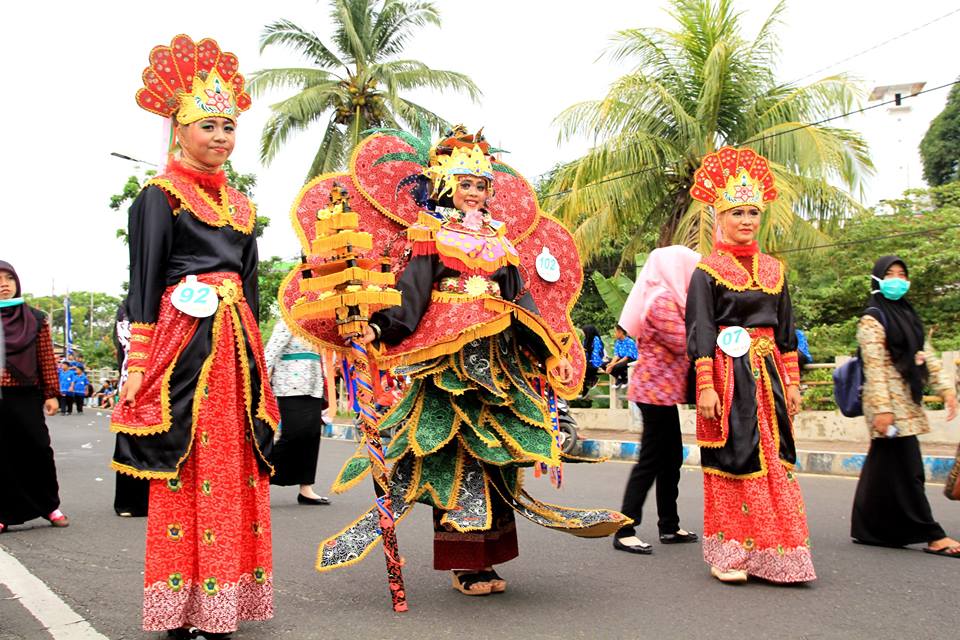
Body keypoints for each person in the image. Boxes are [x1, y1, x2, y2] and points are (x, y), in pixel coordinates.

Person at [282, 126, 628, 599]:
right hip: (449, 365)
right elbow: (415, 293)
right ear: (445, 185)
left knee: (497, 457)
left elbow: (521, 298)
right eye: (465, 183)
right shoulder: (430, 233)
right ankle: (465, 563)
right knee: (455, 459)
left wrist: (549, 345)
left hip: (499, 360)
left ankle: (491, 555)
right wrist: (381, 330)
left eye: (481, 185)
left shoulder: (499, 239)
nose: (474, 192)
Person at [110, 35, 278, 638]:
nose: (222, 136)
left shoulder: (242, 205)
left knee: (236, 465)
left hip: (236, 345)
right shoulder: (158, 196)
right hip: (185, 345)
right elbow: (145, 283)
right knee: (187, 466)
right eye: (208, 125)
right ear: (178, 130)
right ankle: (186, 607)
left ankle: (226, 603)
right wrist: (138, 363)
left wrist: (263, 362)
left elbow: (251, 287)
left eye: (229, 126)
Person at [686, 146, 815, 584]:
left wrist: (793, 383)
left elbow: (787, 332)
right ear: (719, 218)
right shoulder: (707, 271)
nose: (745, 220)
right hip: (727, 372)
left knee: (775, 460)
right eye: (736, 212)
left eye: (753, 213)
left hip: (771, 376)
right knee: (734, 457)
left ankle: (780, 553)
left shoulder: (775, 269)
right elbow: (700, 330)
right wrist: (706, 386)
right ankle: (730, 554)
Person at [851, 255, 960, 556]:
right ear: (877, 280)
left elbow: (926, 355)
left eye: (902, 274)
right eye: (890, 274)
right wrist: (884, 410)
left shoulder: (908, 315)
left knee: (883, 469)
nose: (897, 279)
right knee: (909, 470)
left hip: (906, 403)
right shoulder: (872, 319)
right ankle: (933, 535)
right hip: (888, 408)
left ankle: (869, 528)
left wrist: (947, 390)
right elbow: (874, 368)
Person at [613, 246, 701, 554]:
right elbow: (684, 344)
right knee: (651, 460)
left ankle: (669, 525)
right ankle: (625, 528)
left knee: (671, 458)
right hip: (654, 393)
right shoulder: (661, 301)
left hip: (664, 393)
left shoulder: (671, 298)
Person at [0, 260, 69, 533]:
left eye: (8, 278)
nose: (3, 284)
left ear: (17, 283)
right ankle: (3, 512)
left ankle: (50, 506)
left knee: (39, 448)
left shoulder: (35, 318)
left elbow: (46, 359)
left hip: (26, 394)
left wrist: (51, 394)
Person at [263, 318, 330, 505]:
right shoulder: (287, 322)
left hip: (314, 384)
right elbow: (270, 352)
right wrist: (260, 381)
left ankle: (306, 488)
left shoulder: (318, 325)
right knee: (293, 434)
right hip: (290, 384)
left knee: (311, 435)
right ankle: (260, 476)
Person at [604, 324, 637, 388]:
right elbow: (617, 355)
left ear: (620, 332)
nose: (614, 334)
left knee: (617, 366)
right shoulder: (617, 342)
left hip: (629, 360)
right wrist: (611, 364)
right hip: (621, 359)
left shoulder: (630, 341)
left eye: (615, 332)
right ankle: (621, 378)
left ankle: (624, 379)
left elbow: (627, 357)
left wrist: (613, 365)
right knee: (604, 364)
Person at [581, 324, 605, 393]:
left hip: (596, 360)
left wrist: (592, 363)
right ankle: (586, 387)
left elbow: (596, 354)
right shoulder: (585, 340)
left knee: (586, 368)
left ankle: (591, 381)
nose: (583, 334)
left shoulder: (596, 340)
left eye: (584, 332)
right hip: (587, 360)